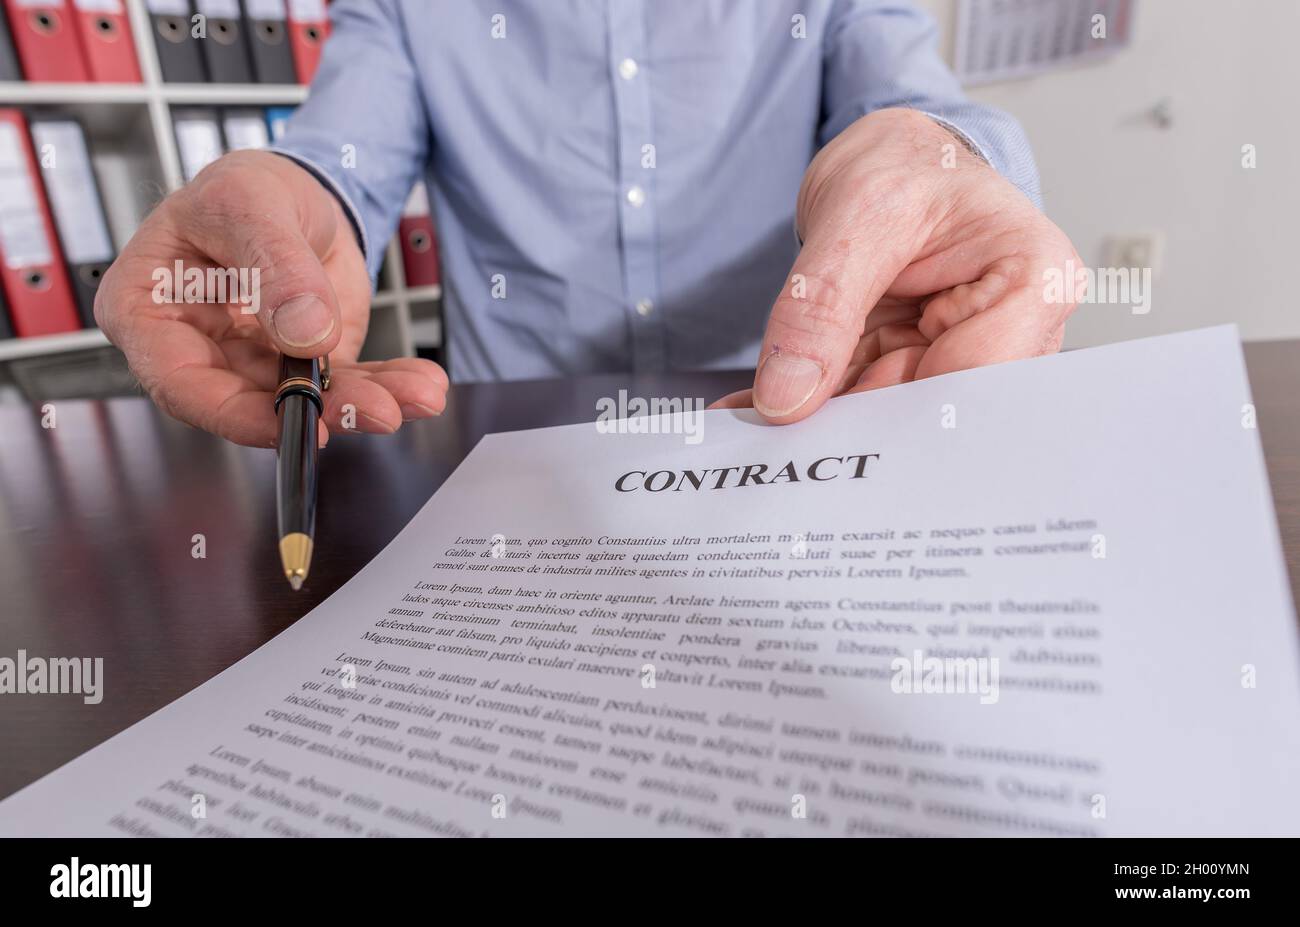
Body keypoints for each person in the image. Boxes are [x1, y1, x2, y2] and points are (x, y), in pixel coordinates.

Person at [95, 0, 1079, 447]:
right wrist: (284, 194)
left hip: (781, 430)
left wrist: (946, 159)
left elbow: (905, 99)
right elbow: (342, 156)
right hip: (506, 443)